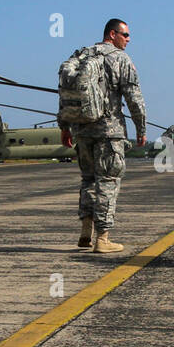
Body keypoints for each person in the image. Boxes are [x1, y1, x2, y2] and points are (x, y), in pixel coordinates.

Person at [58, 18, 147, 253]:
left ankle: (85, 234)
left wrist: (65, 126)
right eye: (125, 35)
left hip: (82, 130)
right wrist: (141, 129)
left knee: (88, 180)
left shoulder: (82, 55)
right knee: (108, 181)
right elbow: (134, 98)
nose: (128, 39)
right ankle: (103, 238)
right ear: (112, 34)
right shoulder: (120, 58)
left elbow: (65, 93)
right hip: (109, 132)